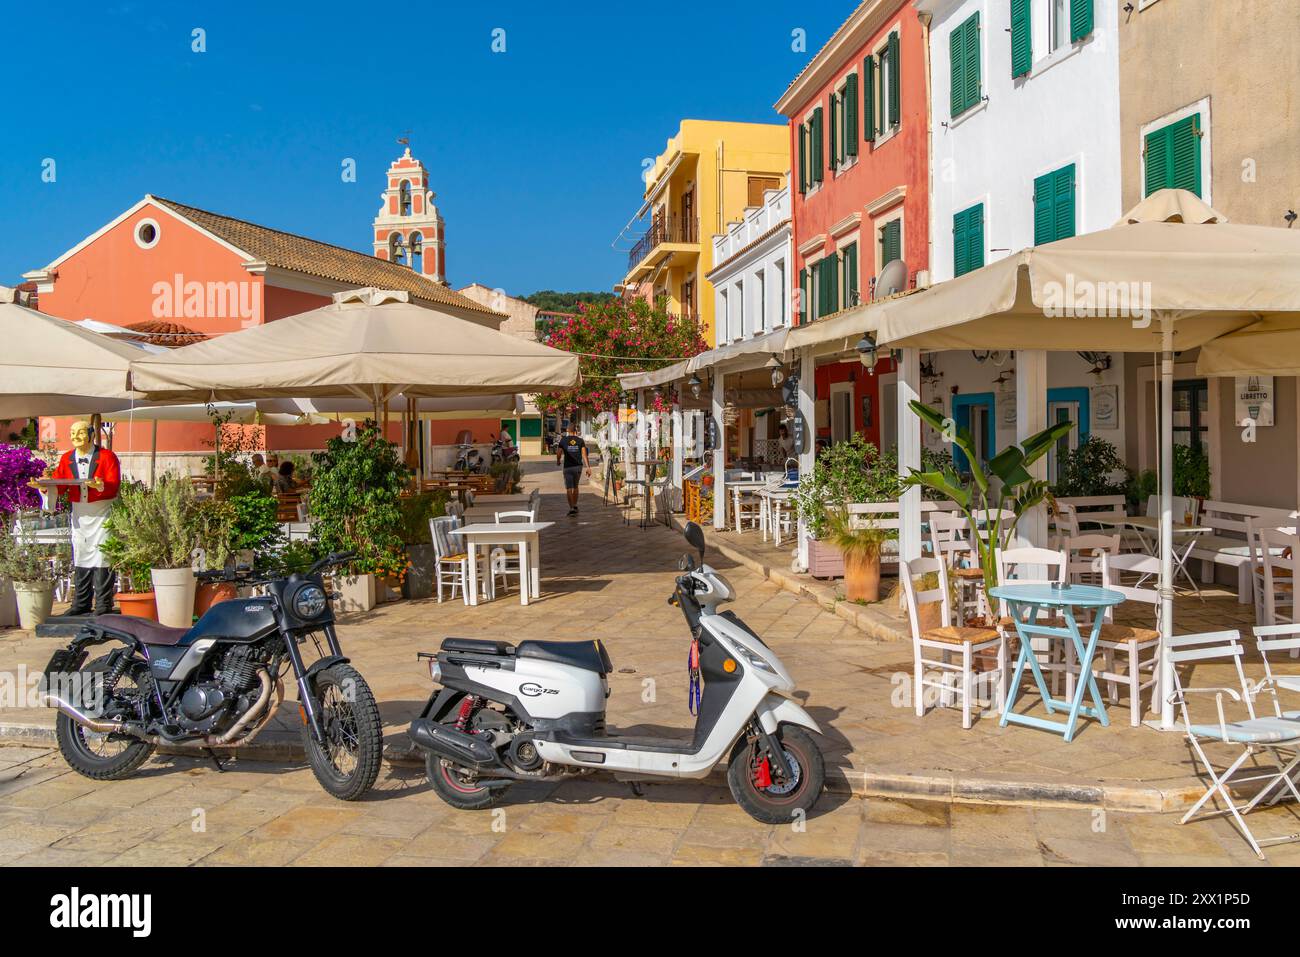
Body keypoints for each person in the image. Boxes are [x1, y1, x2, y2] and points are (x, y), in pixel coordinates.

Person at [36, 420, 121, 617]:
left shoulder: (107, 457)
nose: (75, 437)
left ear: (91, 435)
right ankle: (81, 603)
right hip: (79, 513)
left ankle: (103, 604)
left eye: (80, 433)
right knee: (81, 553)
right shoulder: (67, 459)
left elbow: (113, 483)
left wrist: (99, 486)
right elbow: (60, 484)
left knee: (103, 554)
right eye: (72, 433)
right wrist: (45, 487)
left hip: (103, 511)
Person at [556, 424, 590, 515]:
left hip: (568, 467)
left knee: (568, 488)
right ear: (575, 430)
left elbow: (559, 453)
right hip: (578, 466)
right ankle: (575, 505)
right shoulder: (580, 440)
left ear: (567, 430)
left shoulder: (563, 440)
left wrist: (558, 460)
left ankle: (571, 508)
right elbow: (584, 455)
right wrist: (588, 467)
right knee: (576, 487)